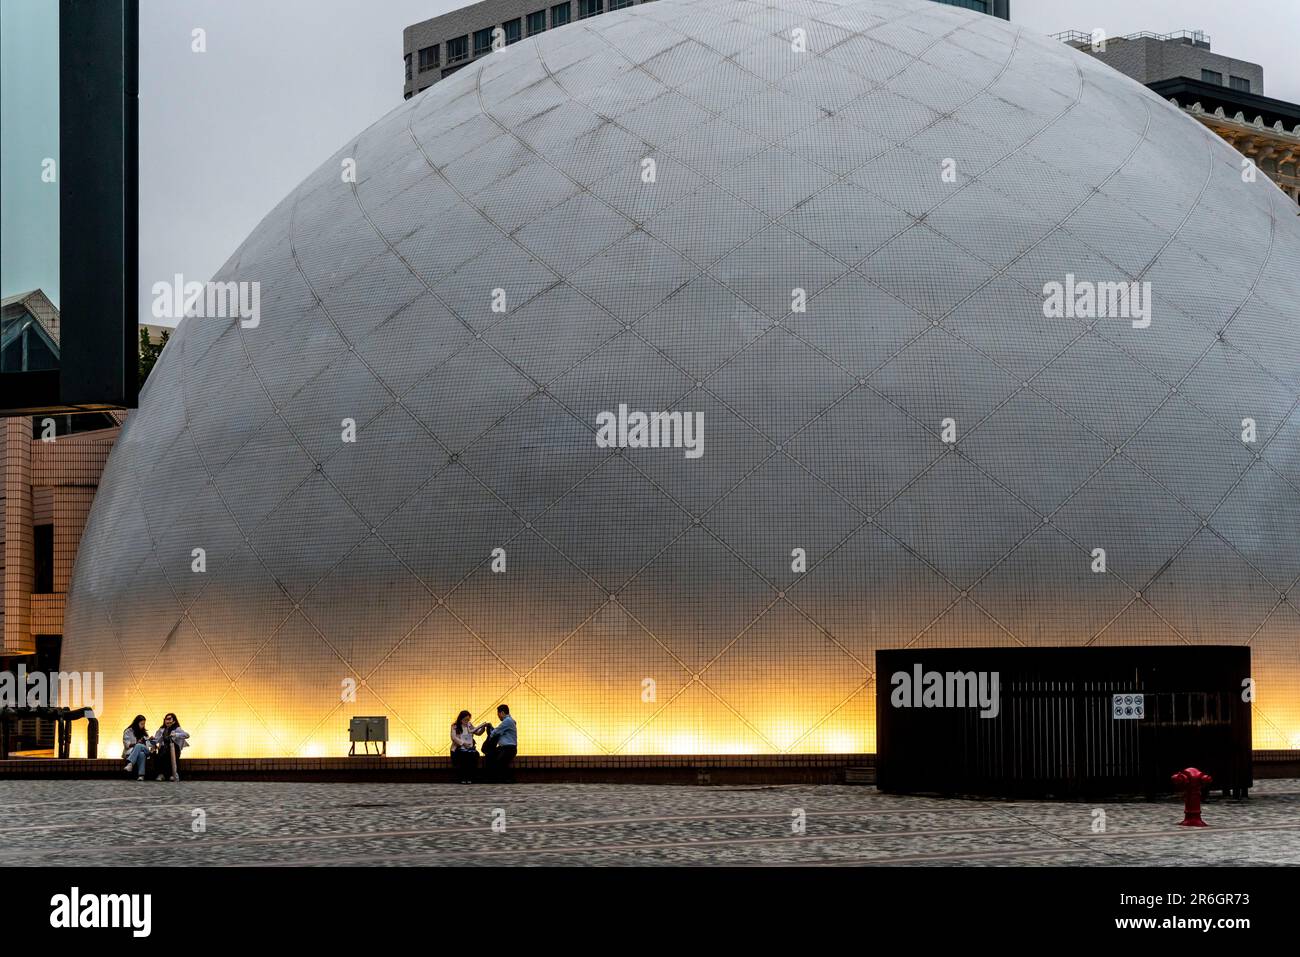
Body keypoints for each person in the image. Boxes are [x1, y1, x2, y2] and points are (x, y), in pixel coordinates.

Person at [150, 713, 190, 781]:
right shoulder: (162, 729)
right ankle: (162, 774)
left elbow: (187, 735)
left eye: (169, 719)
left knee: (167, 753)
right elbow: (156, 740)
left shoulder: (177, 728)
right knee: (160, 754)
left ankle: (172, 774)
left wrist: (176, 734)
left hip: (174, 750)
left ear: (174, 721)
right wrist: (152, 739)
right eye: (166, 719)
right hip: (163, 749)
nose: (167, 721)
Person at [449, 710, 486, 784]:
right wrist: (463, 743)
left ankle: (469, 777)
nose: (467, 721)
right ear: (461, 719)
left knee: (474, 755)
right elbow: (453, 737)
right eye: (465, 720)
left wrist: (483, 728)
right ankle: (463, 778)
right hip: (458, 749)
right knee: (463, 757)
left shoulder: (469, 725)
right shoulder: (455, 726)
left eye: (468, 720)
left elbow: (477, 733)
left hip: (468, 749)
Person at [483, 704, 517, 782]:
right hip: (508, 748)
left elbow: (496, 731)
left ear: (502, 712)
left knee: (498, 762)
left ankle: (505, 779)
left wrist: (490, 732)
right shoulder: (510, 720)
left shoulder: (507, 721)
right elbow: (499, 730)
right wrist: (491, 728)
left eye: (498, 714)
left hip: (507, 749)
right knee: (495, 759)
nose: (498, 717)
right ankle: (504, 779)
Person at [122, 715, 150, 781]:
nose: (143, 725)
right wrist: (136, 743)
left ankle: (130, 763)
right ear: (136, 723)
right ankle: (141, 775)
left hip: (146, 751)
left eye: (144, 724)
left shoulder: (145, 733)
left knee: (139, 746)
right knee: (141, 754)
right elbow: (126, 745)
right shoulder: (128, 731)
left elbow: (148, 745)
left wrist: (150, 741)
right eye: (141, 724)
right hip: (131, 751)